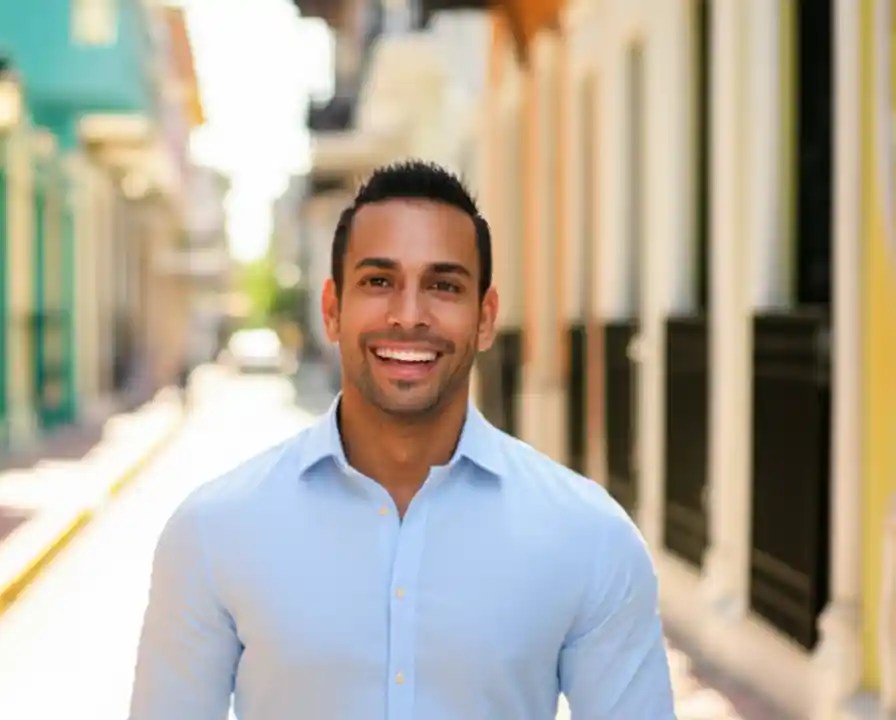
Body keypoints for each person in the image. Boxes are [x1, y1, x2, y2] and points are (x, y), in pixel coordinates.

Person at [128, 160, 675, 719]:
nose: (409, 315)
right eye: (379, 282)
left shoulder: (591, 538)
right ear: (333, 310)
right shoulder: (212, 533)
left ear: (485, 318)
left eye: (443, 285)